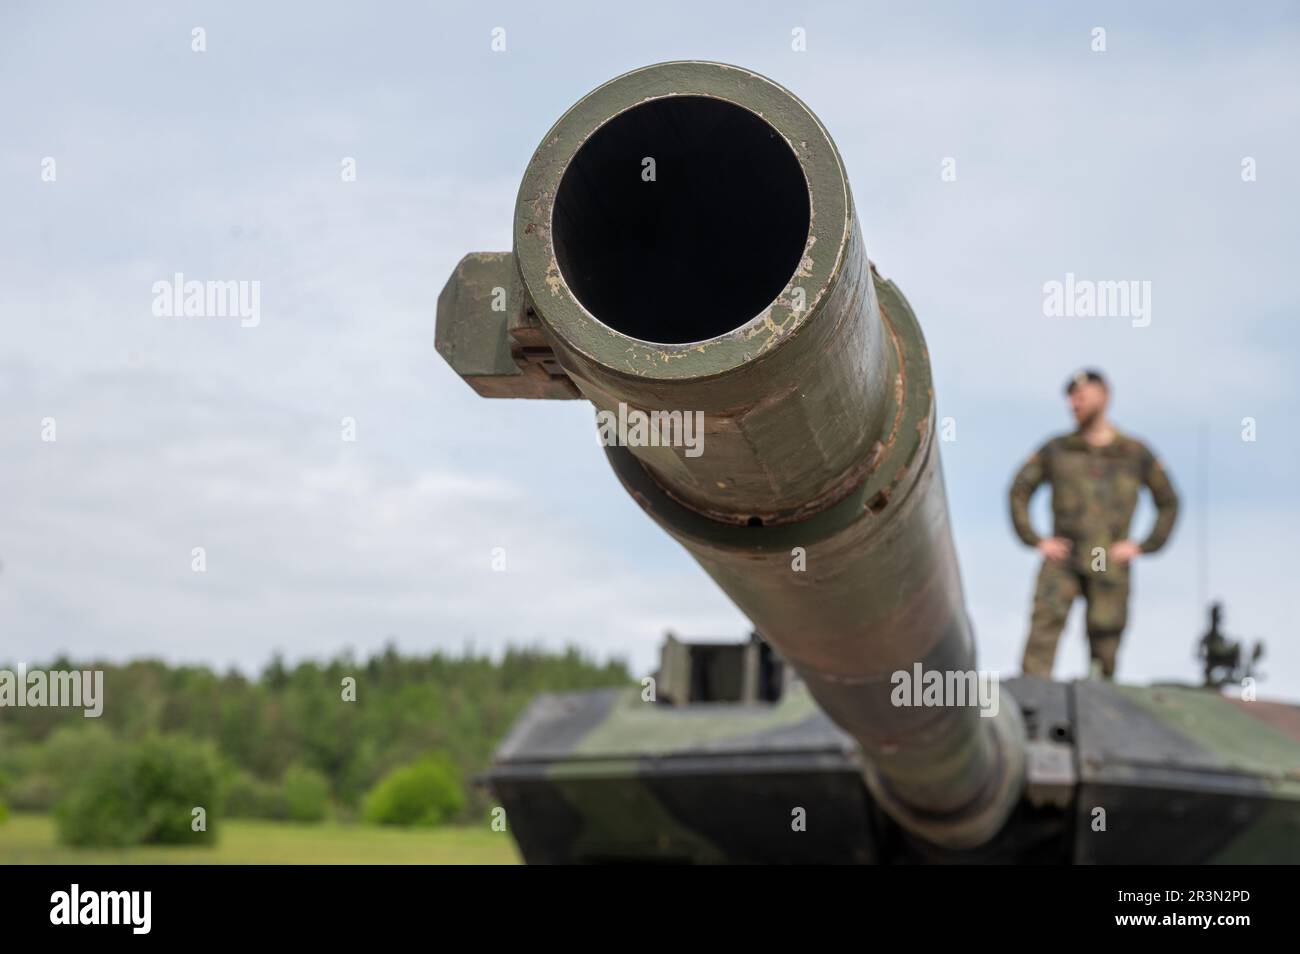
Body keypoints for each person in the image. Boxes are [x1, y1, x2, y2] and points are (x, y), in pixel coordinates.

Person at [1009, 370, 1179, 679]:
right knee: (1042, 634)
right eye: (1071, 398)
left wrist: (1143, 545)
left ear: (1104, 396)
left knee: (1106, 639)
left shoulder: (1133, 452)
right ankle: (1030, 707)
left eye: (1081, 396)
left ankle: (1100, 706)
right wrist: (1035, 539)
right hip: (1064, 557)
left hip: (1108, 559)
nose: (1075, 404)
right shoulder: (1057, 449)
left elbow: (1168, 501)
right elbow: (1019, 490)